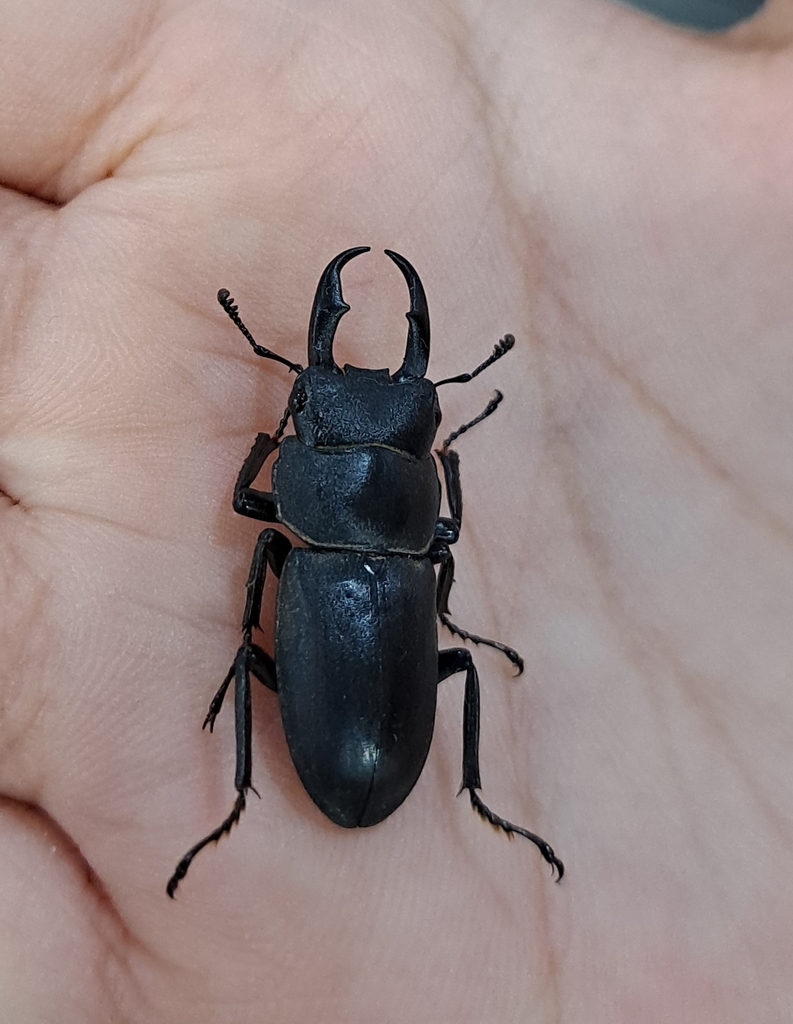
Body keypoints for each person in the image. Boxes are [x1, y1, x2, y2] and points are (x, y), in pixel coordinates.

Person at [0, 0, 789, 1019]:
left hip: (352, 691)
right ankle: (393, 794)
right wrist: (428, 495)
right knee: (397, 646)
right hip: (377, 692)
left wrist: (286, 425)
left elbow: (256, 501)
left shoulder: (310, 529)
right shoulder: (428, 539)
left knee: (254, 650)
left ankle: (284, 801)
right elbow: (429, 533)